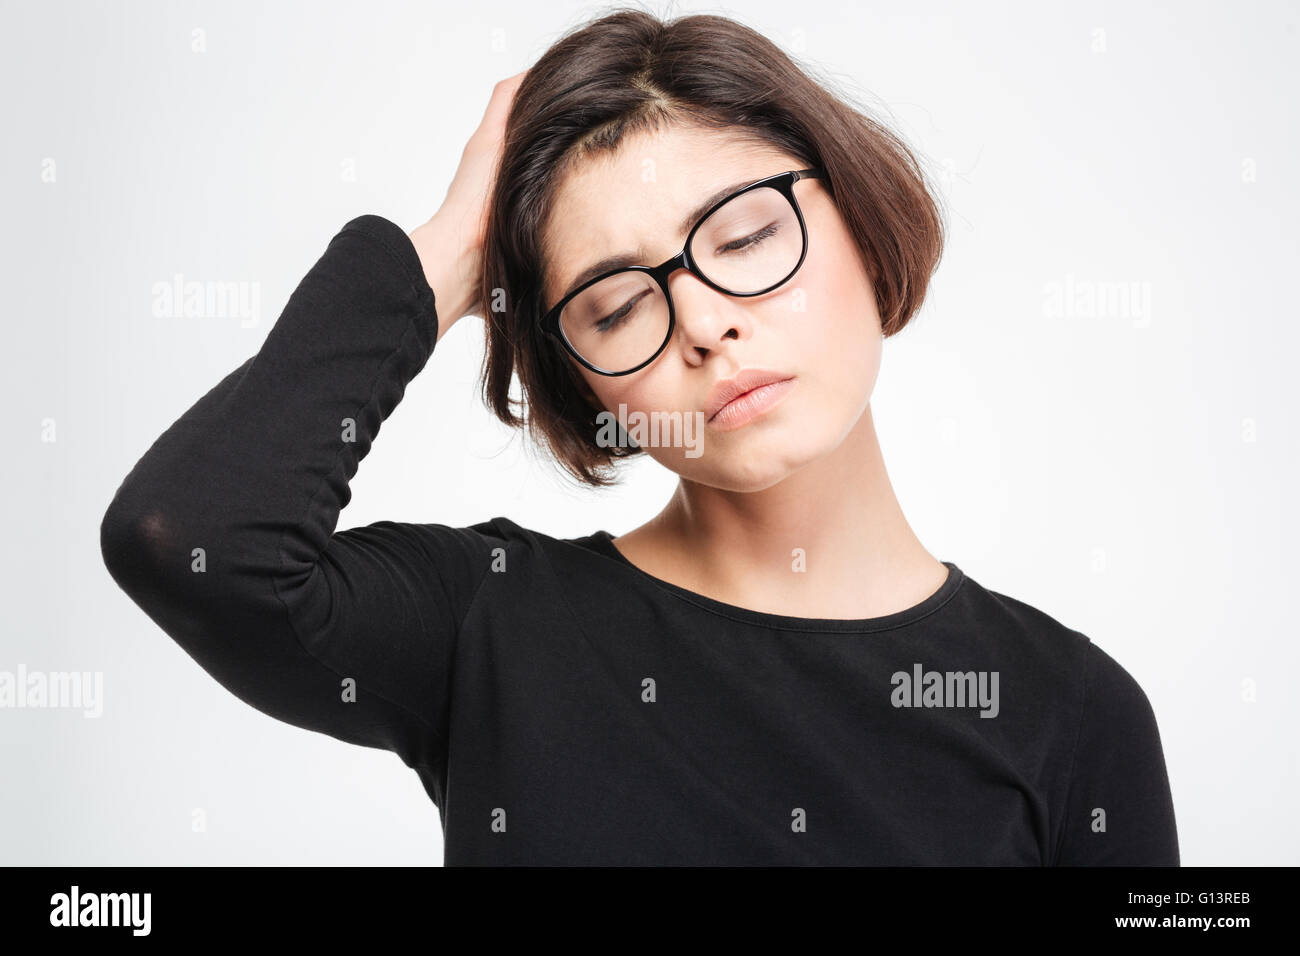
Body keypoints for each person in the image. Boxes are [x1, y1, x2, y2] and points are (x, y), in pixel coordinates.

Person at [99, 9, 1179, 865]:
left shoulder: (1072, 711)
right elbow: (185, 533)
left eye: (747, 235)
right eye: (616, 306)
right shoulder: (489, 623)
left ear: (857, 213)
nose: (706, 322)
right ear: (583, 384)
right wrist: (449, 256)